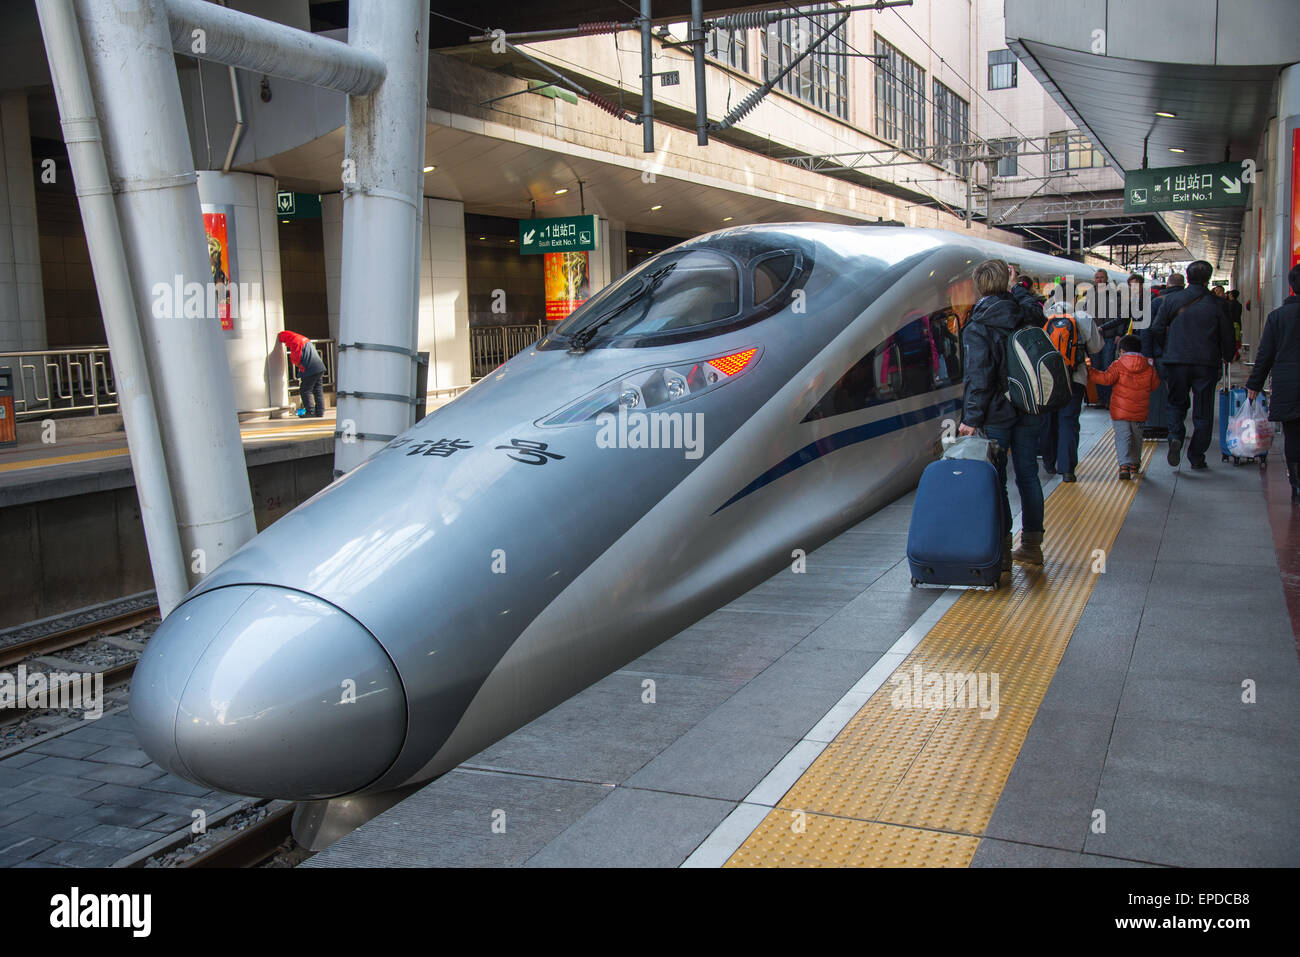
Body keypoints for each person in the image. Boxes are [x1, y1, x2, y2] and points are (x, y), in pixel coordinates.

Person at [957, 259, 1047, 568]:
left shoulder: (979, 324)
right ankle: (1032, 547)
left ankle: (1004, 551)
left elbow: (978, 377)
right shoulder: (1026, 313)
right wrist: (1015, 288)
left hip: (997, 413)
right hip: (1030, 405)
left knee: (997, 480)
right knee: (1028, 475)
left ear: (979, 286)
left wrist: (970, 419)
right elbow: (1034, 307)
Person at [1150, 260, 1234, 470]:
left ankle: (1175, 437)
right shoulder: (1218, 304)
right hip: (1206, 363)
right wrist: (1228, 355)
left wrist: (1168, 348)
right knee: (1203, 411)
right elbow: (1227, 336)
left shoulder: (1170, 300)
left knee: (1176, 403)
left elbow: (1157, 328)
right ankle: (1196, 456)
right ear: (1208, 279)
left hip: (1175, 361)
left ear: (1187, 277)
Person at [1245, 264, 1300, 505]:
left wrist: (1254, 384)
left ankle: (1297, 486)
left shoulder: (1277, 317)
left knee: (1293, 437)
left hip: (1288, 384)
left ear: (1291, 286)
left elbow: (1265, 354)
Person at [1039, 290, 1104, 481]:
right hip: (1075, 377)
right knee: (1068, 421)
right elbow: (1096, 348)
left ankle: (1049, 463)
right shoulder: (1083, 317)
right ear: (1074, 298)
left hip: (1048, 379)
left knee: (1048, 421)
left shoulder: (1046, 316)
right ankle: (1067, 469)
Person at [1087, 334, 1161, 480]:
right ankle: (1135, 464)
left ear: (1121, 351)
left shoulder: (1118, 364)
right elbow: (1154, 385)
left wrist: (1089, 371)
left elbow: (1106, 379)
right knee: (1137, 438)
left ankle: (1124, 466)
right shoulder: (1148, 366)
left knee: (1122, 437)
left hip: (1120, 411)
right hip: (1140, 411)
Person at [277, 329, 326, 417]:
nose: (285, 344)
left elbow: (296, 357)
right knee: (318, 390)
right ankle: (320, 411)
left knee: (305, 390)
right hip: (319, 367)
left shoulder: (295, 341)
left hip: (310, 369)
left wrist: (296, 363)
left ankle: (310, 411)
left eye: (284, 342)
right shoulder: (303, 338)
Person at [1226, 290, 1244, 359]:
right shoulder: (1239, 304)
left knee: (1232, 340)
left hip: (1232, 324)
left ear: (1231, 295)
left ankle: (1235, 354)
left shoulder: (1230, 304)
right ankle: (1236, 353)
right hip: (1237, 324)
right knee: (1236, 340)